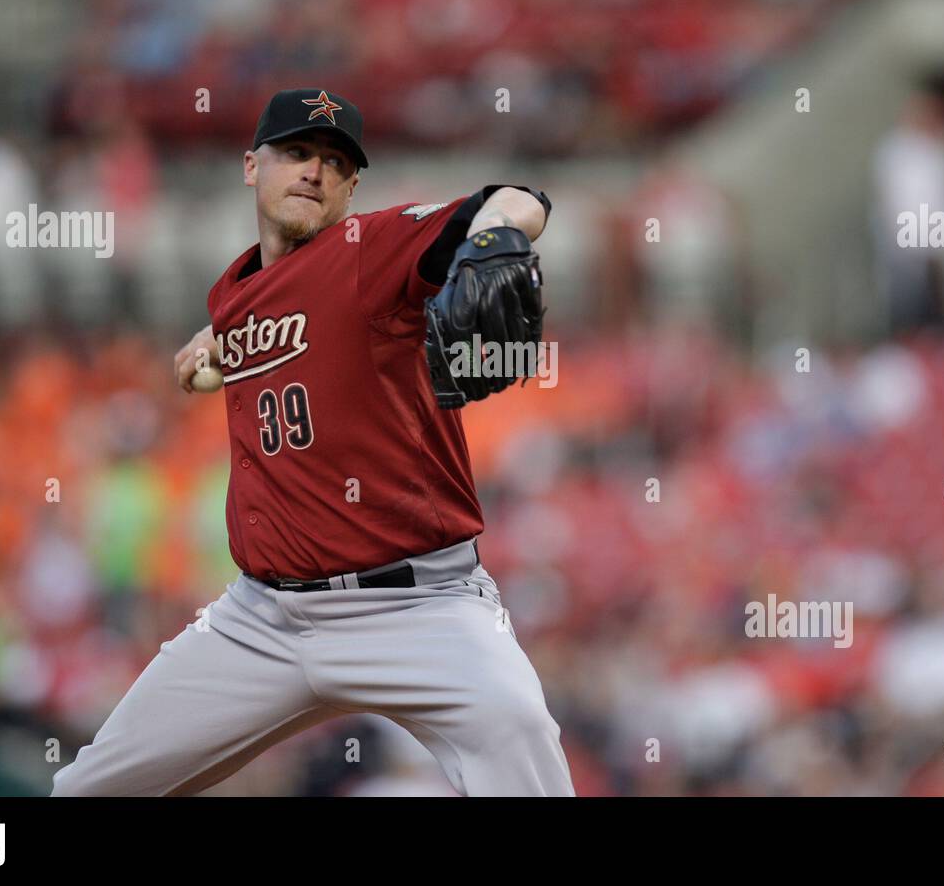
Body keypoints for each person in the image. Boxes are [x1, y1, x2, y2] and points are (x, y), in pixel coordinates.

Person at [51, 88, 574, 796]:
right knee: (88, 790)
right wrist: (213, 347)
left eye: (334, 162)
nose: (313, 171)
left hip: (418, 608)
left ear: (352, 186)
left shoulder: (373, 251)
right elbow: (279, 316)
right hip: (260, 619)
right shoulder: (233, 294)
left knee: (522, 735)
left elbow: (519, 199)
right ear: (250, 167)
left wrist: (490, 237)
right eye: (296, 152)